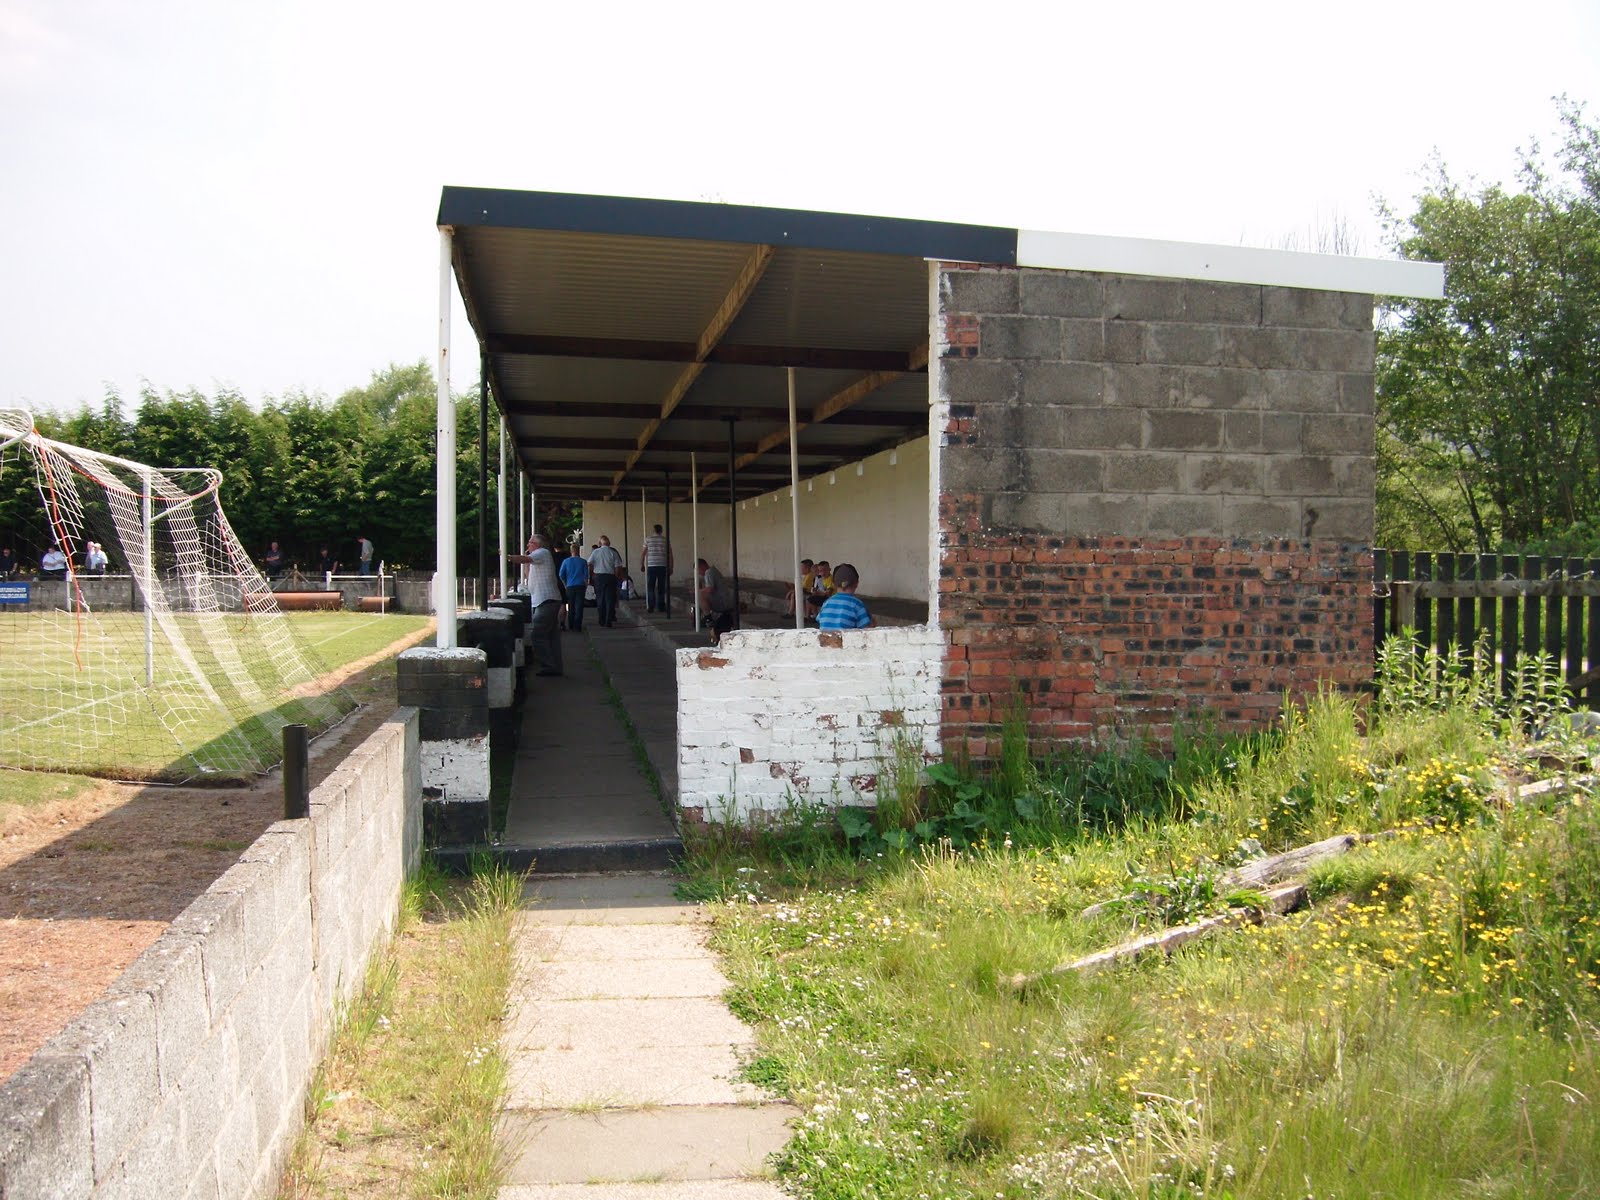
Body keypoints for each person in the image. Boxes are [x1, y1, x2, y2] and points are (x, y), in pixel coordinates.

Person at [508, 533, 563, 676]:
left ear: (538, 544)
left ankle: (549, 666)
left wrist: (508, 557)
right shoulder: (539, 557)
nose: (528, 545)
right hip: (546, 600)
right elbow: (527, 573)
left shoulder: (542, 553)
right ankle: (555, 666)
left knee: (537, 635)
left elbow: (523, 559)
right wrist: (526, 561)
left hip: (546, 600)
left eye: (530, 542)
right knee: (551, 637)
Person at [815, 562, 873, 630]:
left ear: (834, 584)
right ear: (857, 584)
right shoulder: (857, 604)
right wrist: (872, 623)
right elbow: (866, 629)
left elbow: (820, 620)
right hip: (846, 640)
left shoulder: (827, 603)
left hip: (826, 639)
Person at [697, 557, 737, 646]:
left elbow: (710, 589)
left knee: (700, 595)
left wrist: (698, 591)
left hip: (723, 603)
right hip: (724, 600)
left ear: (702, 566)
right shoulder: (712, 571)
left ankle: (708, 618)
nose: (699, 574)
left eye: (698, 570)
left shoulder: (709, 572)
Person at [587, 534, 623, 627]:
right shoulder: (613, 552)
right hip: (610, 577)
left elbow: (589, 563)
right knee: (610, 599)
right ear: (609, 543)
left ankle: (601, 619)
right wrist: (615, 576)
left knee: (600, 598)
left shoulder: (595, 552)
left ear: (600, 543)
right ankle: (608, 620)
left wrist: (591, 574)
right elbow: (618, 566)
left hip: (599, 577)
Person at [640, 523, 673, 613]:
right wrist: (671, 566)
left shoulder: (648, 539)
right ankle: (661, 606)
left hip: (651, 566)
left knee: (651, 587)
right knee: (661, 587)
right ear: (661, 531)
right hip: (662, 565)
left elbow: (643, 553)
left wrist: (642, 564)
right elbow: (670, 554)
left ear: (654, 530)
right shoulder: (665, 540)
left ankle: (651, 606)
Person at [558, 544, 589, 632]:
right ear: (578, 550)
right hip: (580, 586)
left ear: (571, 551)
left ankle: (571, 625)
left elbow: (561, 574)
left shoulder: (566, 561)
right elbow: (586, 576)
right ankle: (577, 625)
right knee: (579, 606)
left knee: (571, 606)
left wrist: (565, 584)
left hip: (570, 586)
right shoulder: (583, 562)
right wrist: (585, 586)